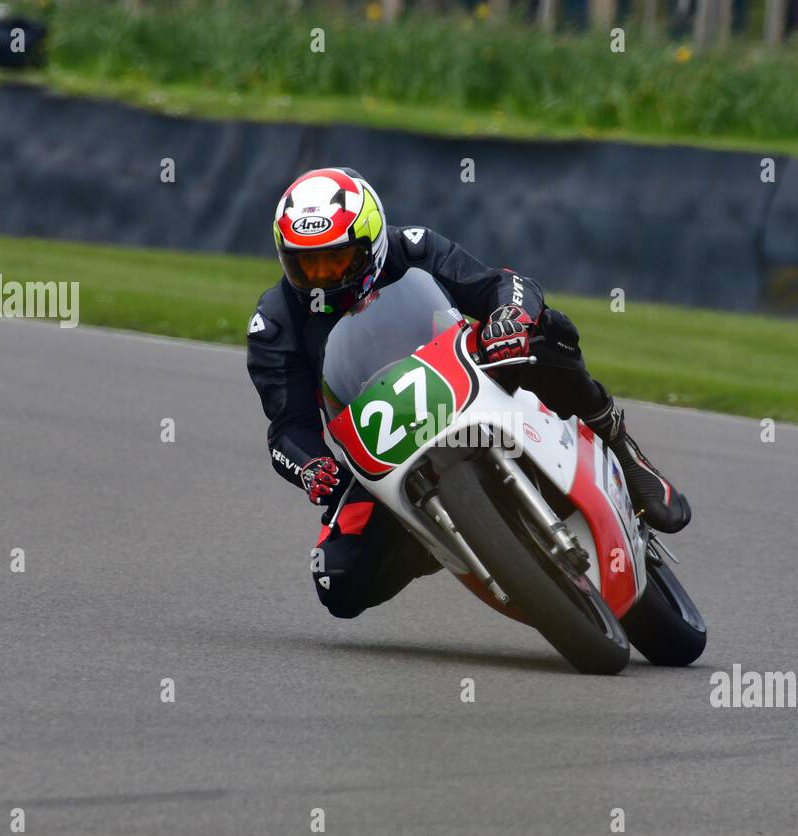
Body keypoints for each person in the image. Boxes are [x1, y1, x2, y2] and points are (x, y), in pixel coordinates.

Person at [246, 167, 689, 618]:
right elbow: (288, 427)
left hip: (467, 375)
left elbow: (504, 284)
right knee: (336, 581)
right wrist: (310, 466)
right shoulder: (275, 323)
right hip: (381, 445)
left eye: (336, 261)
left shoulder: (412, 248)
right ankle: (436, 540)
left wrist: (509, 317)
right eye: (307, 264)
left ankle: (619, 443)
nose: (322, 278)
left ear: (371, 243)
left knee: (545, 331)